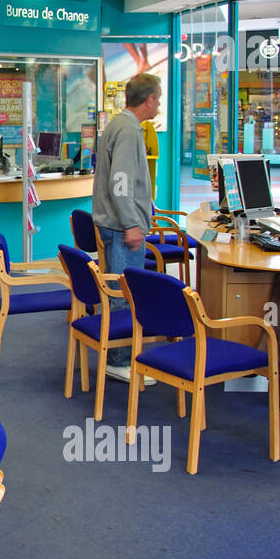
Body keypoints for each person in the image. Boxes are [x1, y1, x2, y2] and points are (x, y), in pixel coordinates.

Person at [91, 72, 161, 384]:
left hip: (117, 224)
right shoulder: (130, 131)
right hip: (123, 228)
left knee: (122, 291)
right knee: (125, 293)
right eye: (158, 98)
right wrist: (133, 223)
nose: (159, 104)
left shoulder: (120, 125)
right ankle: (119, 361)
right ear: (148, 100)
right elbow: (120, 184)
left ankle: (118, 356)